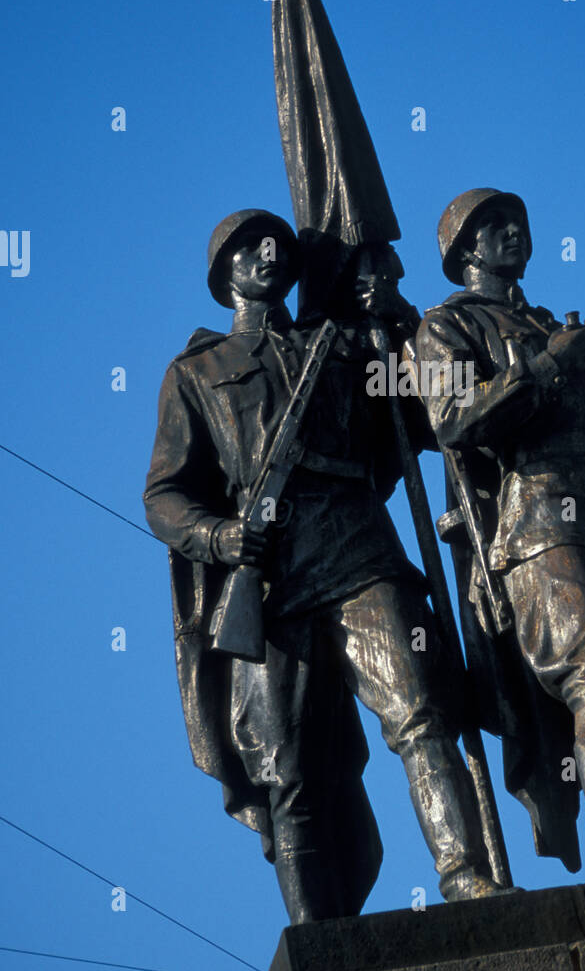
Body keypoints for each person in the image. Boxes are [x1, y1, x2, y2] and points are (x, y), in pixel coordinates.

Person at [143, 208, 504, 925]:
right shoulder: (197, 371)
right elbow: (164, 495)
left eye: (277, 239)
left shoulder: (342, 344)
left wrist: (394, 318)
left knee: (421, 713)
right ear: (225, 276)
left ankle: (466, 879)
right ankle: (318, 936)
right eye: (249, 246)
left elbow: (432, 416)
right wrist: (218, 539)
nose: (268, 251)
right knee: (291, 768)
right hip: (272, 582)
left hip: (357, 547)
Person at [415, 188, 585, 879]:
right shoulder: (444, 328)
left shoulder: (551, 321)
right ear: (463, 249)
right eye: (491, 226)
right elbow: (453, 422)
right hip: (534, 528)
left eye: (517, 222)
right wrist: (547, 366)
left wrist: (582, 368)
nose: (510, 233)